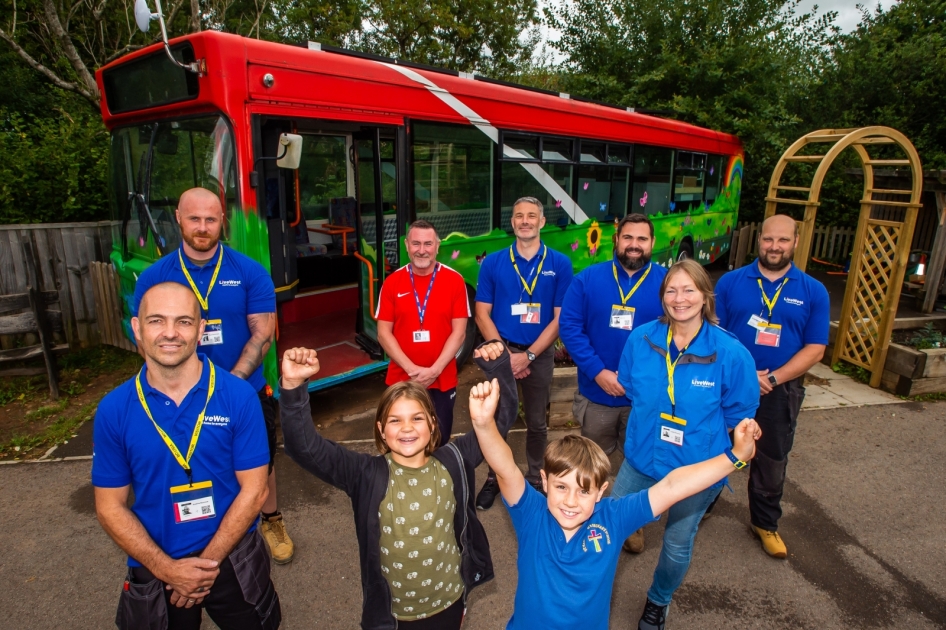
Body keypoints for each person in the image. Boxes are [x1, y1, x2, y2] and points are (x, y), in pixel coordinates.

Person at [469, 378, 761, 630]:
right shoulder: (531, 513)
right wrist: (483, 425)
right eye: (560, 487)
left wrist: (735, 456)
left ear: (601, 492)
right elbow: (506, 468)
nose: (570, 501)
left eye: (584, 491)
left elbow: (673, 485)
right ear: (544, 482)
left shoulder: (613, 518)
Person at [279, 340, 518, 629]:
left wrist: (498, 368)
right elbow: (304, 447)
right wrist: (293, 386)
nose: (407, 427)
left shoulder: (454, 460)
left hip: (450, 603)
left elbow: (501, 419)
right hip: (393, 617)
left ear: (432, 424)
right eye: (395, 420)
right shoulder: (364, 473)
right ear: (380, 429)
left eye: (417, 418)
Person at [93, 282, 280, 630]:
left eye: (183, 321)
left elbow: (254, 492)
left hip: (233, 556)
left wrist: (203, 569)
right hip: (155, 563)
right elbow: (108, 506)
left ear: (201, 329)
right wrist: (169, 570)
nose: (170, 333)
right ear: (136, 327)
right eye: (156, 321)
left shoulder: (239, 397)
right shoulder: (114, 410)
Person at [133, 187, 294, 564]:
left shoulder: (249, 272)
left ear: (223, 221)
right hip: (176, 395)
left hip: (243, 389)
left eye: (211, 219)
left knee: (260, 462)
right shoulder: (155, 278)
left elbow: (262, 333)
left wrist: (230, 384)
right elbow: (146, 338)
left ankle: (270, 519)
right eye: (195, 219)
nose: (203, 227)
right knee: (188, 461)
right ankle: (198, 527)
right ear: (178, 218)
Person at [613, 259, 760, 630]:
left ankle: (658, 602)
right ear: (662, 297)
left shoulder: (730, 352)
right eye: (672, 291)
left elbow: (740, 413)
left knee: (677, 543)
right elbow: (632, 387)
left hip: (696, 469)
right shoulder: (640, 339)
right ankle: (589, 591)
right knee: (609, 525)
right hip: (641, 460)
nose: (680, 299)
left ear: (705, 295)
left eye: (689, 290)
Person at [715, 214, 830, 559]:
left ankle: (765, 523)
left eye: (783, 240)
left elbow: (816, 348)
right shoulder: (730, 283)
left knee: (771, 457)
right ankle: (700, 505)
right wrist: (746, 375)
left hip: (780, 390)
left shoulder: (813, 290)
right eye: (768, 239)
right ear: (759, 241)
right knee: (713, 446)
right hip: (728, 385)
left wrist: (773, 378)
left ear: (795, 242)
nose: (775, 246)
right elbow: (713, 331)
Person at [474, 196, 574, 509]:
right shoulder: (493, 262)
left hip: (538, 354)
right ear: (513, 222)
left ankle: (534, 478)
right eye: (519, 216)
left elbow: (560, 319)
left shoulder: (559, 264)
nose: (525, 220)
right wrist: (507, 356)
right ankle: (494, 477)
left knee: (537, 422)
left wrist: (528, 356)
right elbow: (481, 314)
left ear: (542, 222)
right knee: (497, 420)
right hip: (499, 352)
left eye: (532, 215)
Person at [559, 214, 666, 460]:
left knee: (641, 464)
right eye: (627, 237)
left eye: (642, 238)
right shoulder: (586, 279)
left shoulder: (668, 284)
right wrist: (597, 372)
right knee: (592, 464)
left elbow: (679, 335)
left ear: (652, 242)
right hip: (597, 395)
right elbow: (570, 327)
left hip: (645, 397)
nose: (634, 244)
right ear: (616, 239)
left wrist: (638, 378)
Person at [376, 219, 470, 440]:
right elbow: (383, 333)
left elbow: (460, 333)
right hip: (401, 379)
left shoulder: (455, 281)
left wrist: (434, 370)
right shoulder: (392, 283)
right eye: (416, 244)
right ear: (407, 245)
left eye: (428, 244)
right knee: (401, 440)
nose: (422, 250)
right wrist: (412, 371)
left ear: (437, 246)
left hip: (442, 379)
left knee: (439, 439)